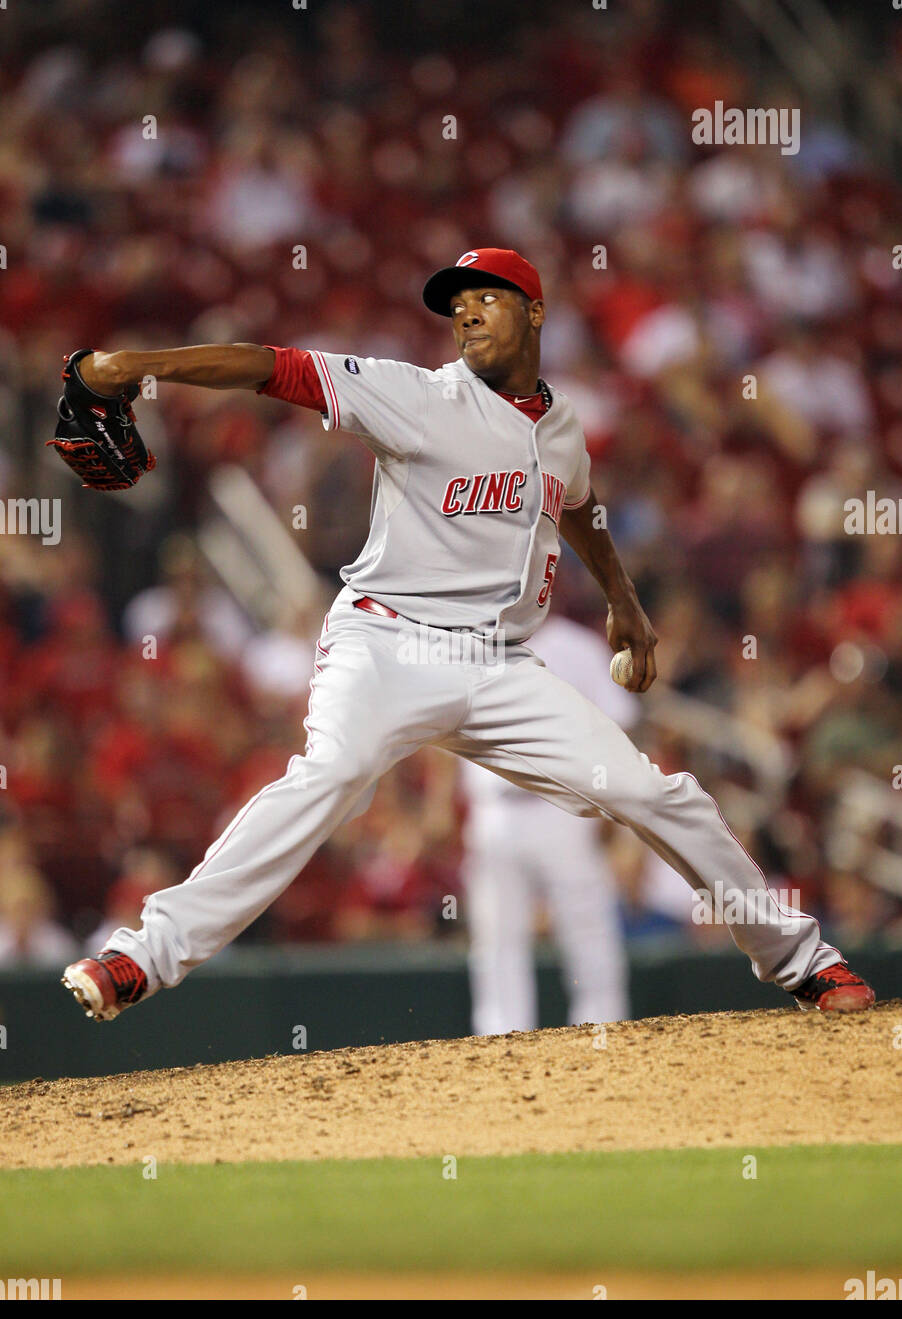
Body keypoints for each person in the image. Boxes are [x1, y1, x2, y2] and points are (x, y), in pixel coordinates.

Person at [60, 247, 875, 1022]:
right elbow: (269, 365)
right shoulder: (417, 395)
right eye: (458, 306)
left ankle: (800, 960)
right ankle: (141, 956)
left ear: (537, 312)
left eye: (488, 298)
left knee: (650, 792)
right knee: (330, 775)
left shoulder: (561, 426)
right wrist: (133, 368)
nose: (468, 315)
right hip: (387, 643)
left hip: (497, 666)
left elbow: (579, 506)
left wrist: (624, 602)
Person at [461, 603, 635, 1034]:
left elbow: (618, 727)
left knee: (588, 931)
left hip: (565, 806)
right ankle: (500, 1039)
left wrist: (611, 806)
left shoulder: (578, 646)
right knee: (495, 941)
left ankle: (603, 1032)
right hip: (494, 810)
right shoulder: (472, 643)